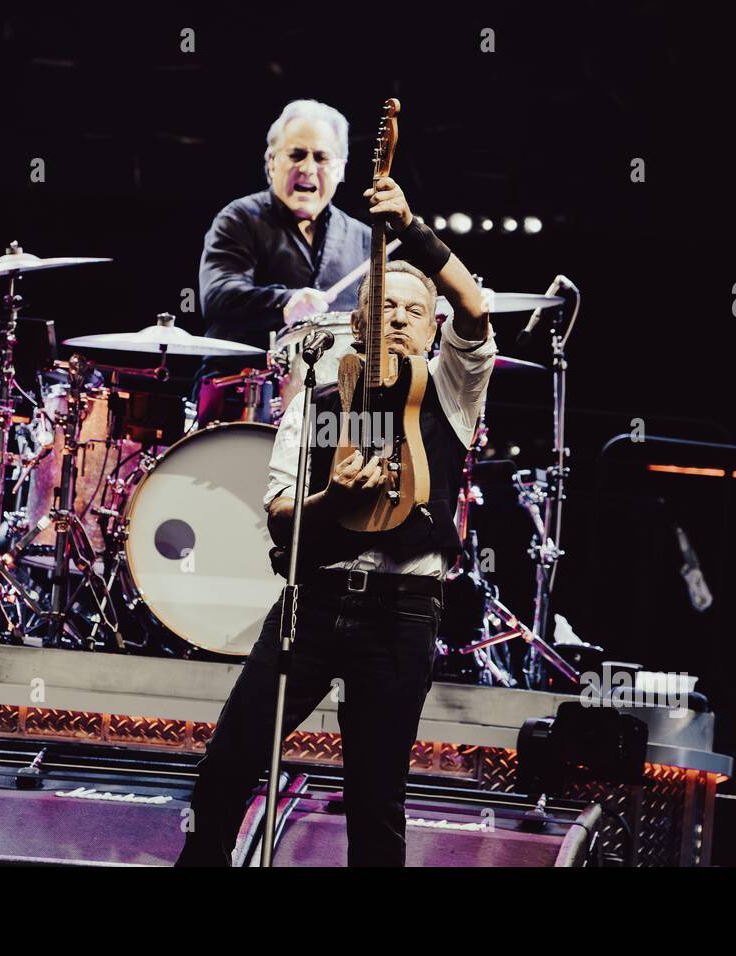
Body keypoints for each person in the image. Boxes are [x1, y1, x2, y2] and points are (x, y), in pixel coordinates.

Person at [176, 175, 496, 866]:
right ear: (360, 319)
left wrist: (412, 226)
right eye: (389, 305)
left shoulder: (451, 388)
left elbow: (472, 303)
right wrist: (336, 503)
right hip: (313, 606)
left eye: (418, 309)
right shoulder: (316, 402)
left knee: (376, 798)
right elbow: (282, 524)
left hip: (404, 610)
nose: (404, 318)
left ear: (433, 326)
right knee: (228, 765)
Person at [197, 99, 372, 350]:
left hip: (333, 385)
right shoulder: (239, 218)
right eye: (296, 155)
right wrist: (286, 302)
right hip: (242, 382)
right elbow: (218, 296)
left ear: (340, 170)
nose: (308, 168)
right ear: (271, 161)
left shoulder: (365, 239)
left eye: (321, 157)